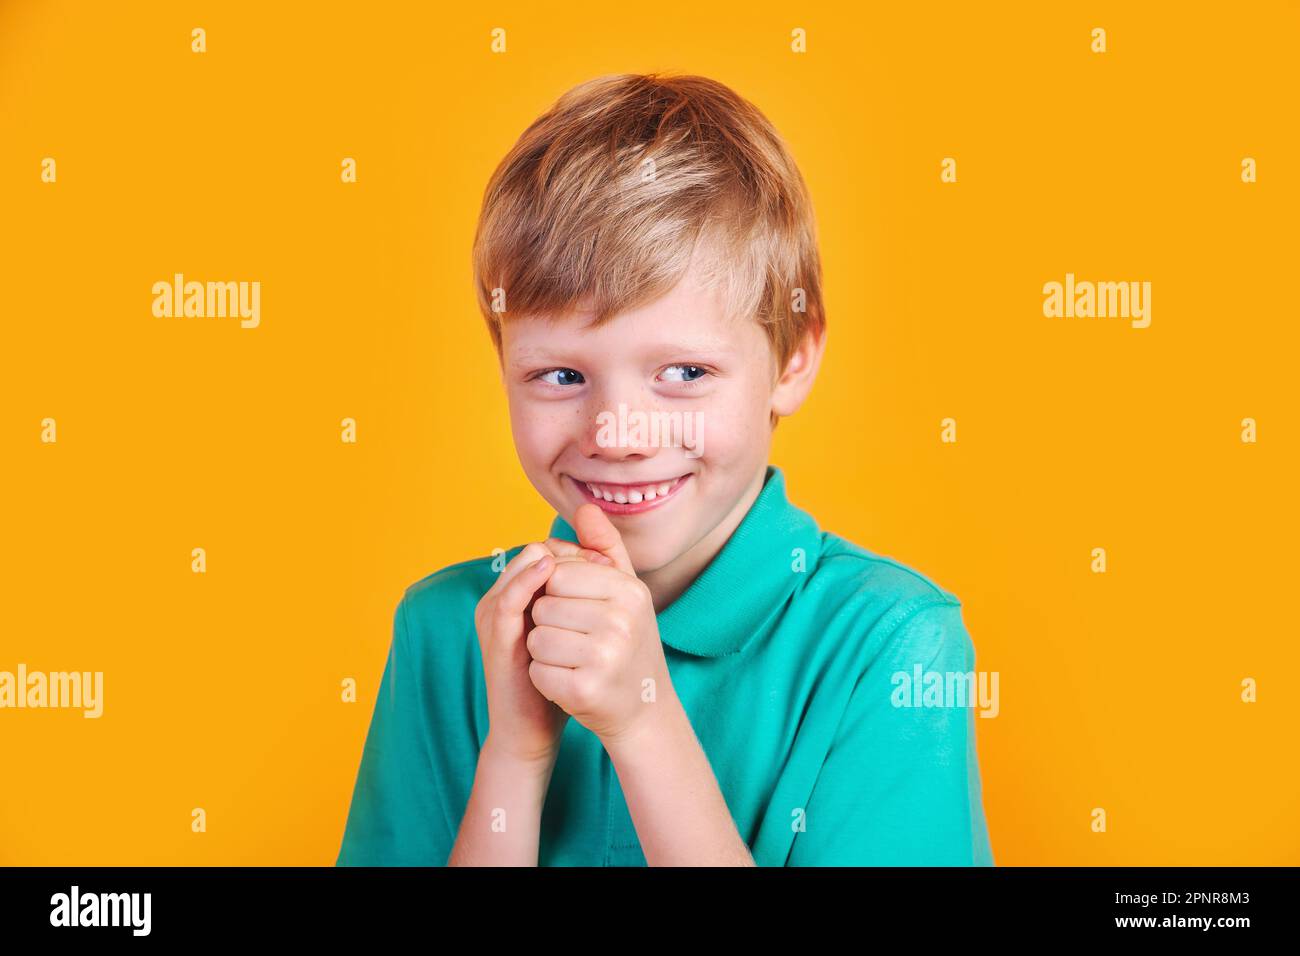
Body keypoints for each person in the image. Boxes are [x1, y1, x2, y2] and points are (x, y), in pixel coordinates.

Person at [336, 72, 993, 866]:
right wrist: (514, 757)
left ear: (795, 356)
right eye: (561, 376)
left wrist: (642, 721)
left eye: (683, 373)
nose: (617, 432)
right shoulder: (442, 630)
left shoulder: (889, 644)